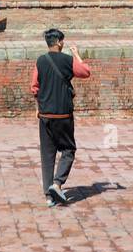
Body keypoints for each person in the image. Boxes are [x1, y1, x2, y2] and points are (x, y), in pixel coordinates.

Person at [30, 28, 91, 206]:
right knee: (68, 149)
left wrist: (37, 108)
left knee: (47, 154)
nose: (63, 43)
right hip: (63, 114)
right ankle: (57, 184)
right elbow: (85, 72)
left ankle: (49, 196)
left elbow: (34, 87)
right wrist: (77, 55)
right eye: (62, 41)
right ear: (58, 42)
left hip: (45, 114)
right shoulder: (67, 60)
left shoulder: (40, 61)